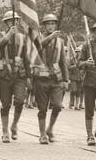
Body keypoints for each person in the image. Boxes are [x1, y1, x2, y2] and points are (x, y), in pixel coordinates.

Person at [0, 10, 32, 143]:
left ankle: (14, 124)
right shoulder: (0, 35)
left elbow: (26, 58)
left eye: (15, 20)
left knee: (20, 101)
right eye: (10, 21)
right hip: (4, 74)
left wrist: (29, 76)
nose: (13, 23)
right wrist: (9, 34)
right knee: (5, 104)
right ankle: (5, 131)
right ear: (6, 23)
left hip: (19, 74)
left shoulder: (23, 37)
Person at [30, 13, 70, 143]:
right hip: (41, 78)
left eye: (53, 24)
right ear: (44, 26)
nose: (51, 26)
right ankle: (42, 134)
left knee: (57, 106)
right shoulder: (38, 38)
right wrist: (51, 37)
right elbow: (38, 46)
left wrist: (65, 79)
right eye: (48, 24)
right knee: (42, 109)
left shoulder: (60, 41)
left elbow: (63, 62)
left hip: (55, 78)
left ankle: (50, 129)